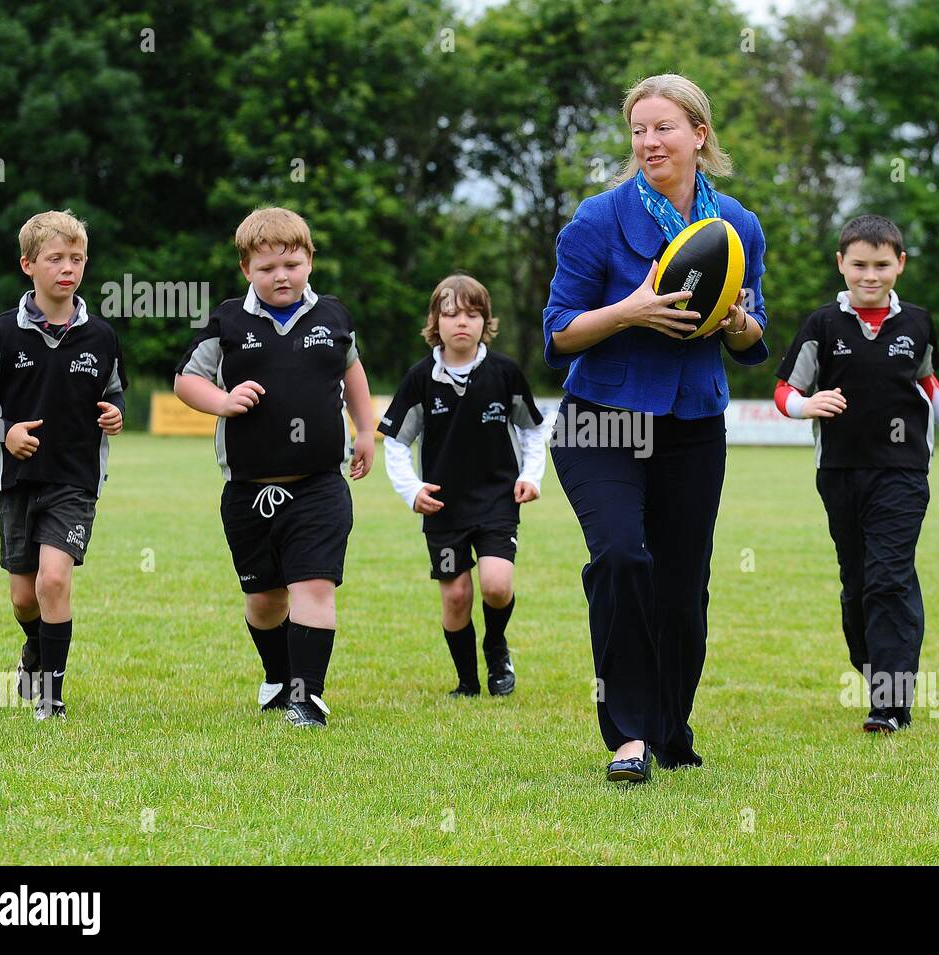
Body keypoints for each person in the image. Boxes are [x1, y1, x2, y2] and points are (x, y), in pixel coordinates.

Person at [543, 74, 768, 783]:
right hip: (601, 422)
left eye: (663, 128)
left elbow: (753, 330)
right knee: (620, 559)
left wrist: (737, 323)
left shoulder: (737, 224)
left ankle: (672, 729)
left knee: (681, 584)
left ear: (699, 134)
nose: (648, 142)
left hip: (693, 424)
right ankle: (629, 735)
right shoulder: (597, 220)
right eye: (638, 129)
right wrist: (629, 311)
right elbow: (559, 333)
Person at [174, 207, 376, 728]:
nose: (280, 276)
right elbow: (185, 381)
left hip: (319, 486)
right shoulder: (226, 321)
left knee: (314, 585)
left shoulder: (334, 317)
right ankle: (278, 675)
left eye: (291, 263)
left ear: (309, 260)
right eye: (266, 268)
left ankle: (307, 699)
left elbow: (353, 375)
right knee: (265, 599)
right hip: (247, 490)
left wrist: (366, 430)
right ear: (246, 270)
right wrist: (222, 400)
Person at [774, 214, 939, 733]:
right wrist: (807, 405)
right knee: (857, 582)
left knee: (889, 576)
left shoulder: (918, 323)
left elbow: (928, 383)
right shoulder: (821, 325)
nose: (870, 275)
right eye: (859, 264)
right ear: (841, 264)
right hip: (839, 471)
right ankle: (875, 675)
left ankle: (890, 702)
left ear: (900, 265)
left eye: (882, 264)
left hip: (904, 471)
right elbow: (784, 393)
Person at [0, 209, 127, 720]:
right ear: (29, 265)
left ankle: (50, 695)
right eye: (55, 259)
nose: (67, 268)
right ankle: (34, 651)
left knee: (54, 581)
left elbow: (114, 394)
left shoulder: (101, 336)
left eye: (76, 258)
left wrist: (114, 415)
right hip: (15, 482)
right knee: (24, 597)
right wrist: (3, 431)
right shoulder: (5, 333)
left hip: (75, 480)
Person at [380, 274, 547, 697]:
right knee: (455, 597)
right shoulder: (420, 379)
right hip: (443, 506)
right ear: (435, 321)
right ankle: (467, 682)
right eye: (451, 313)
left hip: (497, 499)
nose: (462, 322)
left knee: (495, 584)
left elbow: (531, 431)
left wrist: (530, 476)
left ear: (485, 321)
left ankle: (496, 647)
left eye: (472, 314)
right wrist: (411, 489)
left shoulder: (505, 372)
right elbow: (397, 441)